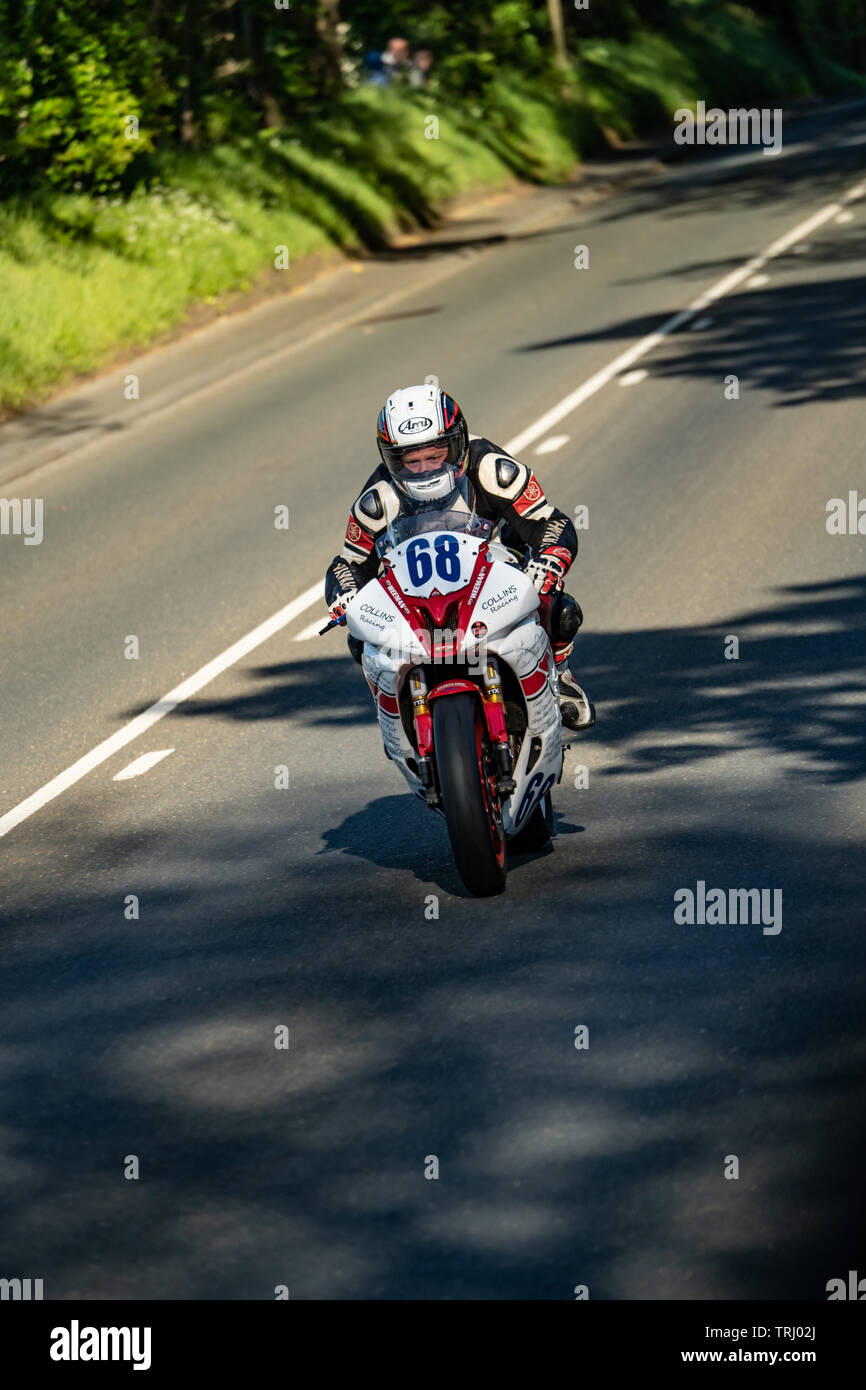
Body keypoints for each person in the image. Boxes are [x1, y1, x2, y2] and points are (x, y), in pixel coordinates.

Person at [324, 383, 595, 732]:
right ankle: (393, 711)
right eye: (411, 460)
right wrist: (344, 596)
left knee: (560, 607)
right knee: (360, 634)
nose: (425, 468)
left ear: (457, 444)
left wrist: (548, 561)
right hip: (420, 591)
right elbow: (348, 563)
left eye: (435, 455)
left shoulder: (493, 470)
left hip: (494, 568)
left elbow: (549, 522)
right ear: (391, 460)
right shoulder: (377, 499)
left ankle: (560, 675)